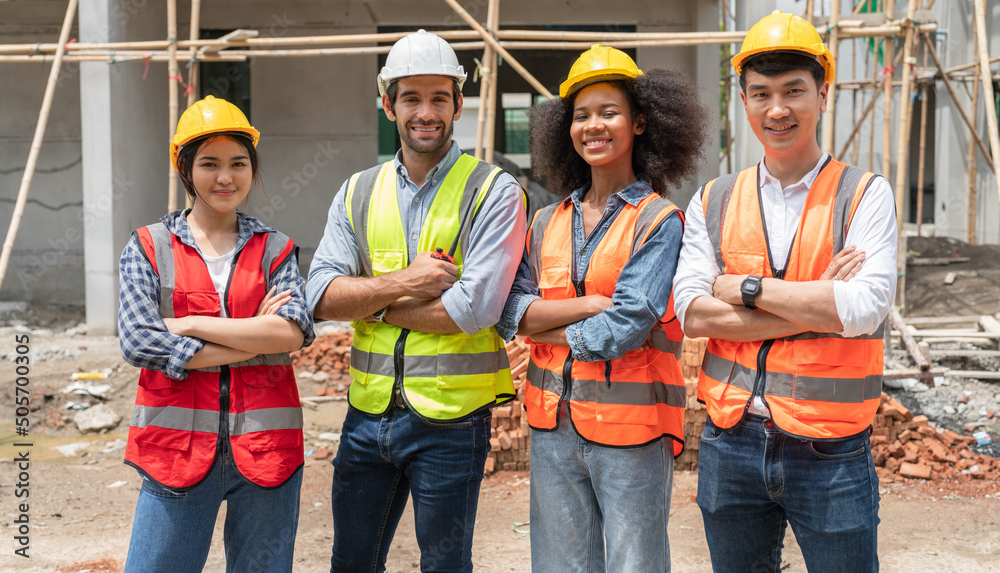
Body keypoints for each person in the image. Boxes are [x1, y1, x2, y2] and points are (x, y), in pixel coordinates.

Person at [672, 10, 898, 572]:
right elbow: (693, 314)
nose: (778, 109)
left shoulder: (864, 195)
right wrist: (818, 299)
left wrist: (744, 288)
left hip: (830, 447)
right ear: (743, 102)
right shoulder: (715, 198)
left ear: (823, 95)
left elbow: (863, 310)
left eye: (794, 91)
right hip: (730, 441)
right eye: (762, 94)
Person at [306, 29, 527, 573]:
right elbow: (320, 296)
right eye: (411, 98)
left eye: (438, 98)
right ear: (388, 104)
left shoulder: (493, 191)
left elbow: (473, 311)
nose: (425, 112)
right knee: (351, 563)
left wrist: (368, 302)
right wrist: (404, 281)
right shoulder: (357, 191)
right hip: (366, 415)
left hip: (451, 422)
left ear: (457, 106)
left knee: (444, 566)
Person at [497, 44, 710, 572]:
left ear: (640, 122)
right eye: (582, 115)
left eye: (608, 112)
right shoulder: (545, 222)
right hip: (552, 426)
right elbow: (509, 313)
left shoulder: (659, 222)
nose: (593, 126)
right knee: (558, 565)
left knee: (634, 565)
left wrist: (545, 327)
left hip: (632, 432)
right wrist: (591, 305)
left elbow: (623, 328)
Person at [118, 95, 315, 573]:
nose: (225, 177)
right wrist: (254, 336)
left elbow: (292, 332)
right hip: (175, 450)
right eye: (209, 163)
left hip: (267, 449)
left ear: (252, 168)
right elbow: (139, 342)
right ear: (185, 169)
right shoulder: (148, 247)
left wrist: (187, 324)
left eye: (238, 163)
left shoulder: (275, 249)